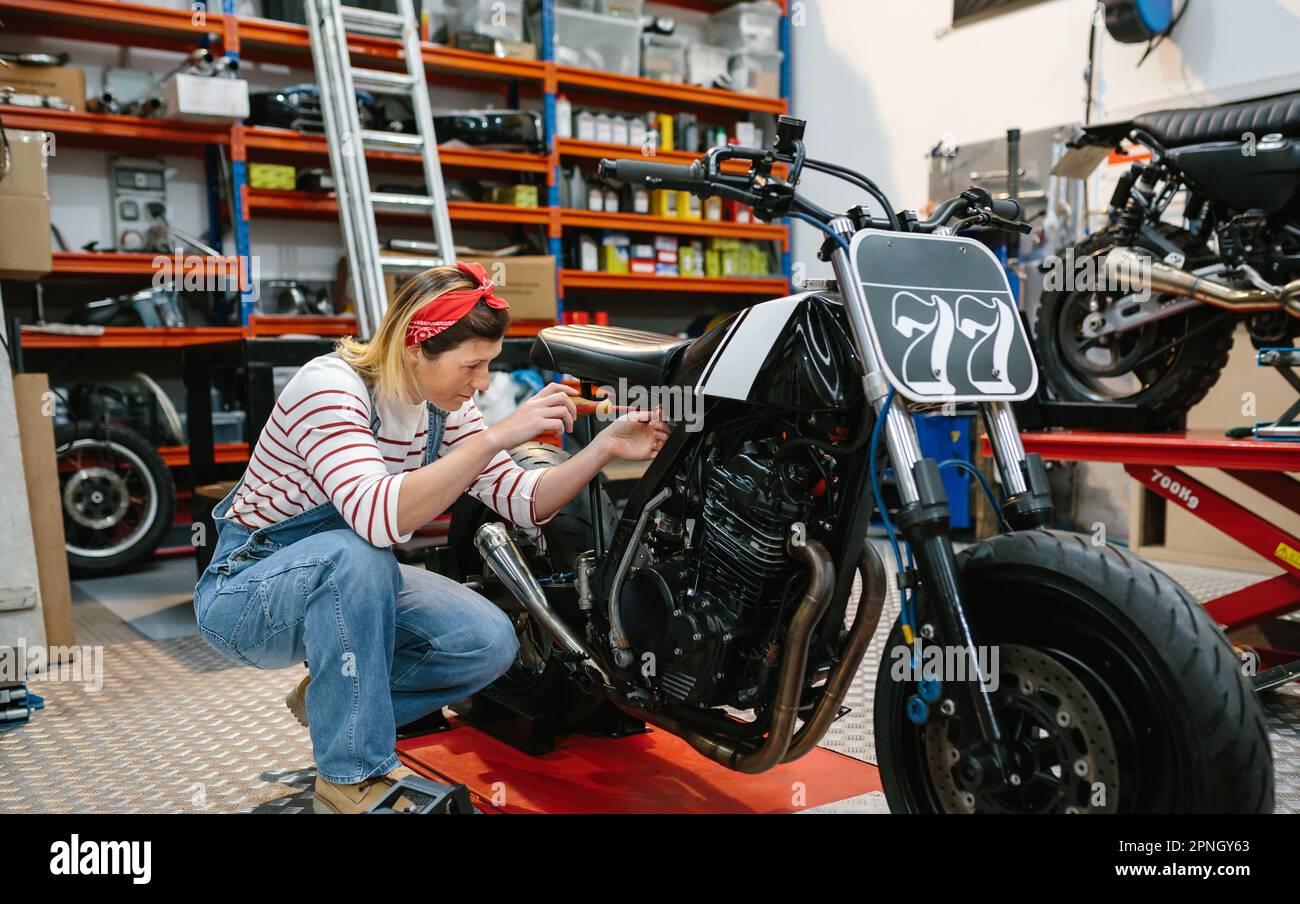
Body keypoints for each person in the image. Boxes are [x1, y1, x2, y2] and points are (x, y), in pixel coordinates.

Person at [193, 262, 670, 813]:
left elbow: (524, 500)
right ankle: (349, 777)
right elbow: (376, 518)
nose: (483, 383)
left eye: (488, 365)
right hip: (246, 591)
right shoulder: (329, 388)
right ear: (415, 349)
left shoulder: (443, 409)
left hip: (350, 576)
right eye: (473, 365)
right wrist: (497, 436)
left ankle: (337, 695)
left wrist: (604, 447)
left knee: (486, 643)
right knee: (357, 552)